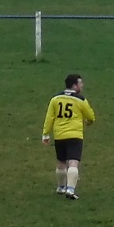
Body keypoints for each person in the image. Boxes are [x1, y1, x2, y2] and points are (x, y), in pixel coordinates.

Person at [41, 72, 95, 200]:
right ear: (75, 85)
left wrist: (45, 134)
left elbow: (50, 117)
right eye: (80, 83)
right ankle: (70, 189)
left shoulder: (55, 99)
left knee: (61, 162)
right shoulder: (80, 100)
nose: (82, 85)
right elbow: (91, 116)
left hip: (59, 135)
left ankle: (60, 187)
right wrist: (89, 122)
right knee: (73, 162)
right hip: (75, 135)